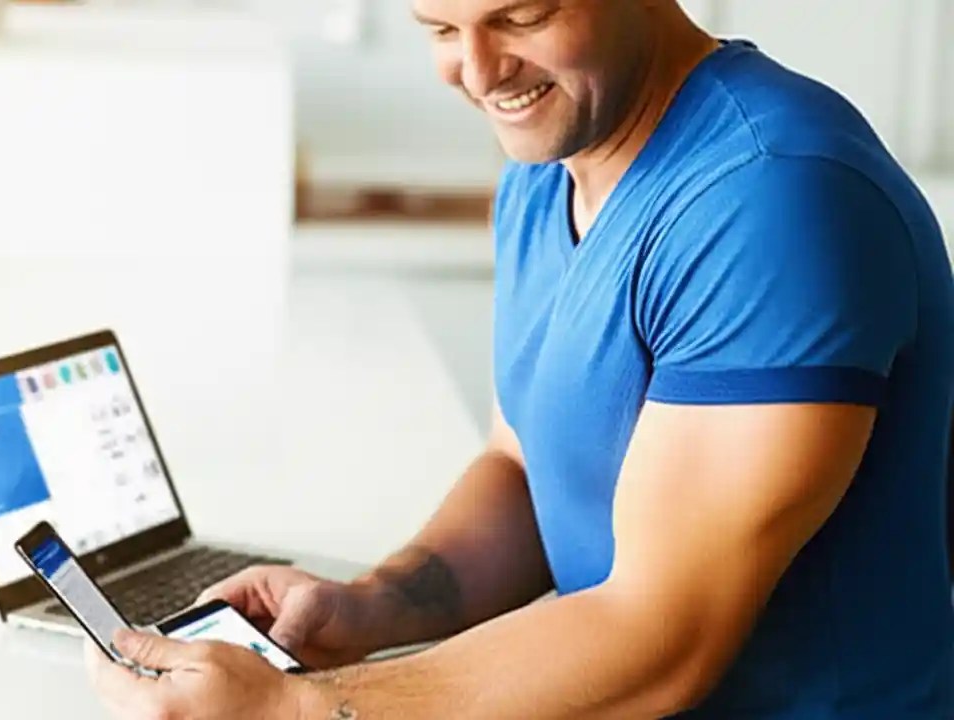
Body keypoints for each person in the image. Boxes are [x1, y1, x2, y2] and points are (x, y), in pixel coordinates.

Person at [86, 0, 954, 717]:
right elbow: (528, 463)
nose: (478, 71)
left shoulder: (772, 198)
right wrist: (373, 605)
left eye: (522, 17)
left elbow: (663, 639)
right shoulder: (550, 164)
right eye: (439, 29)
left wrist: (299, 709)